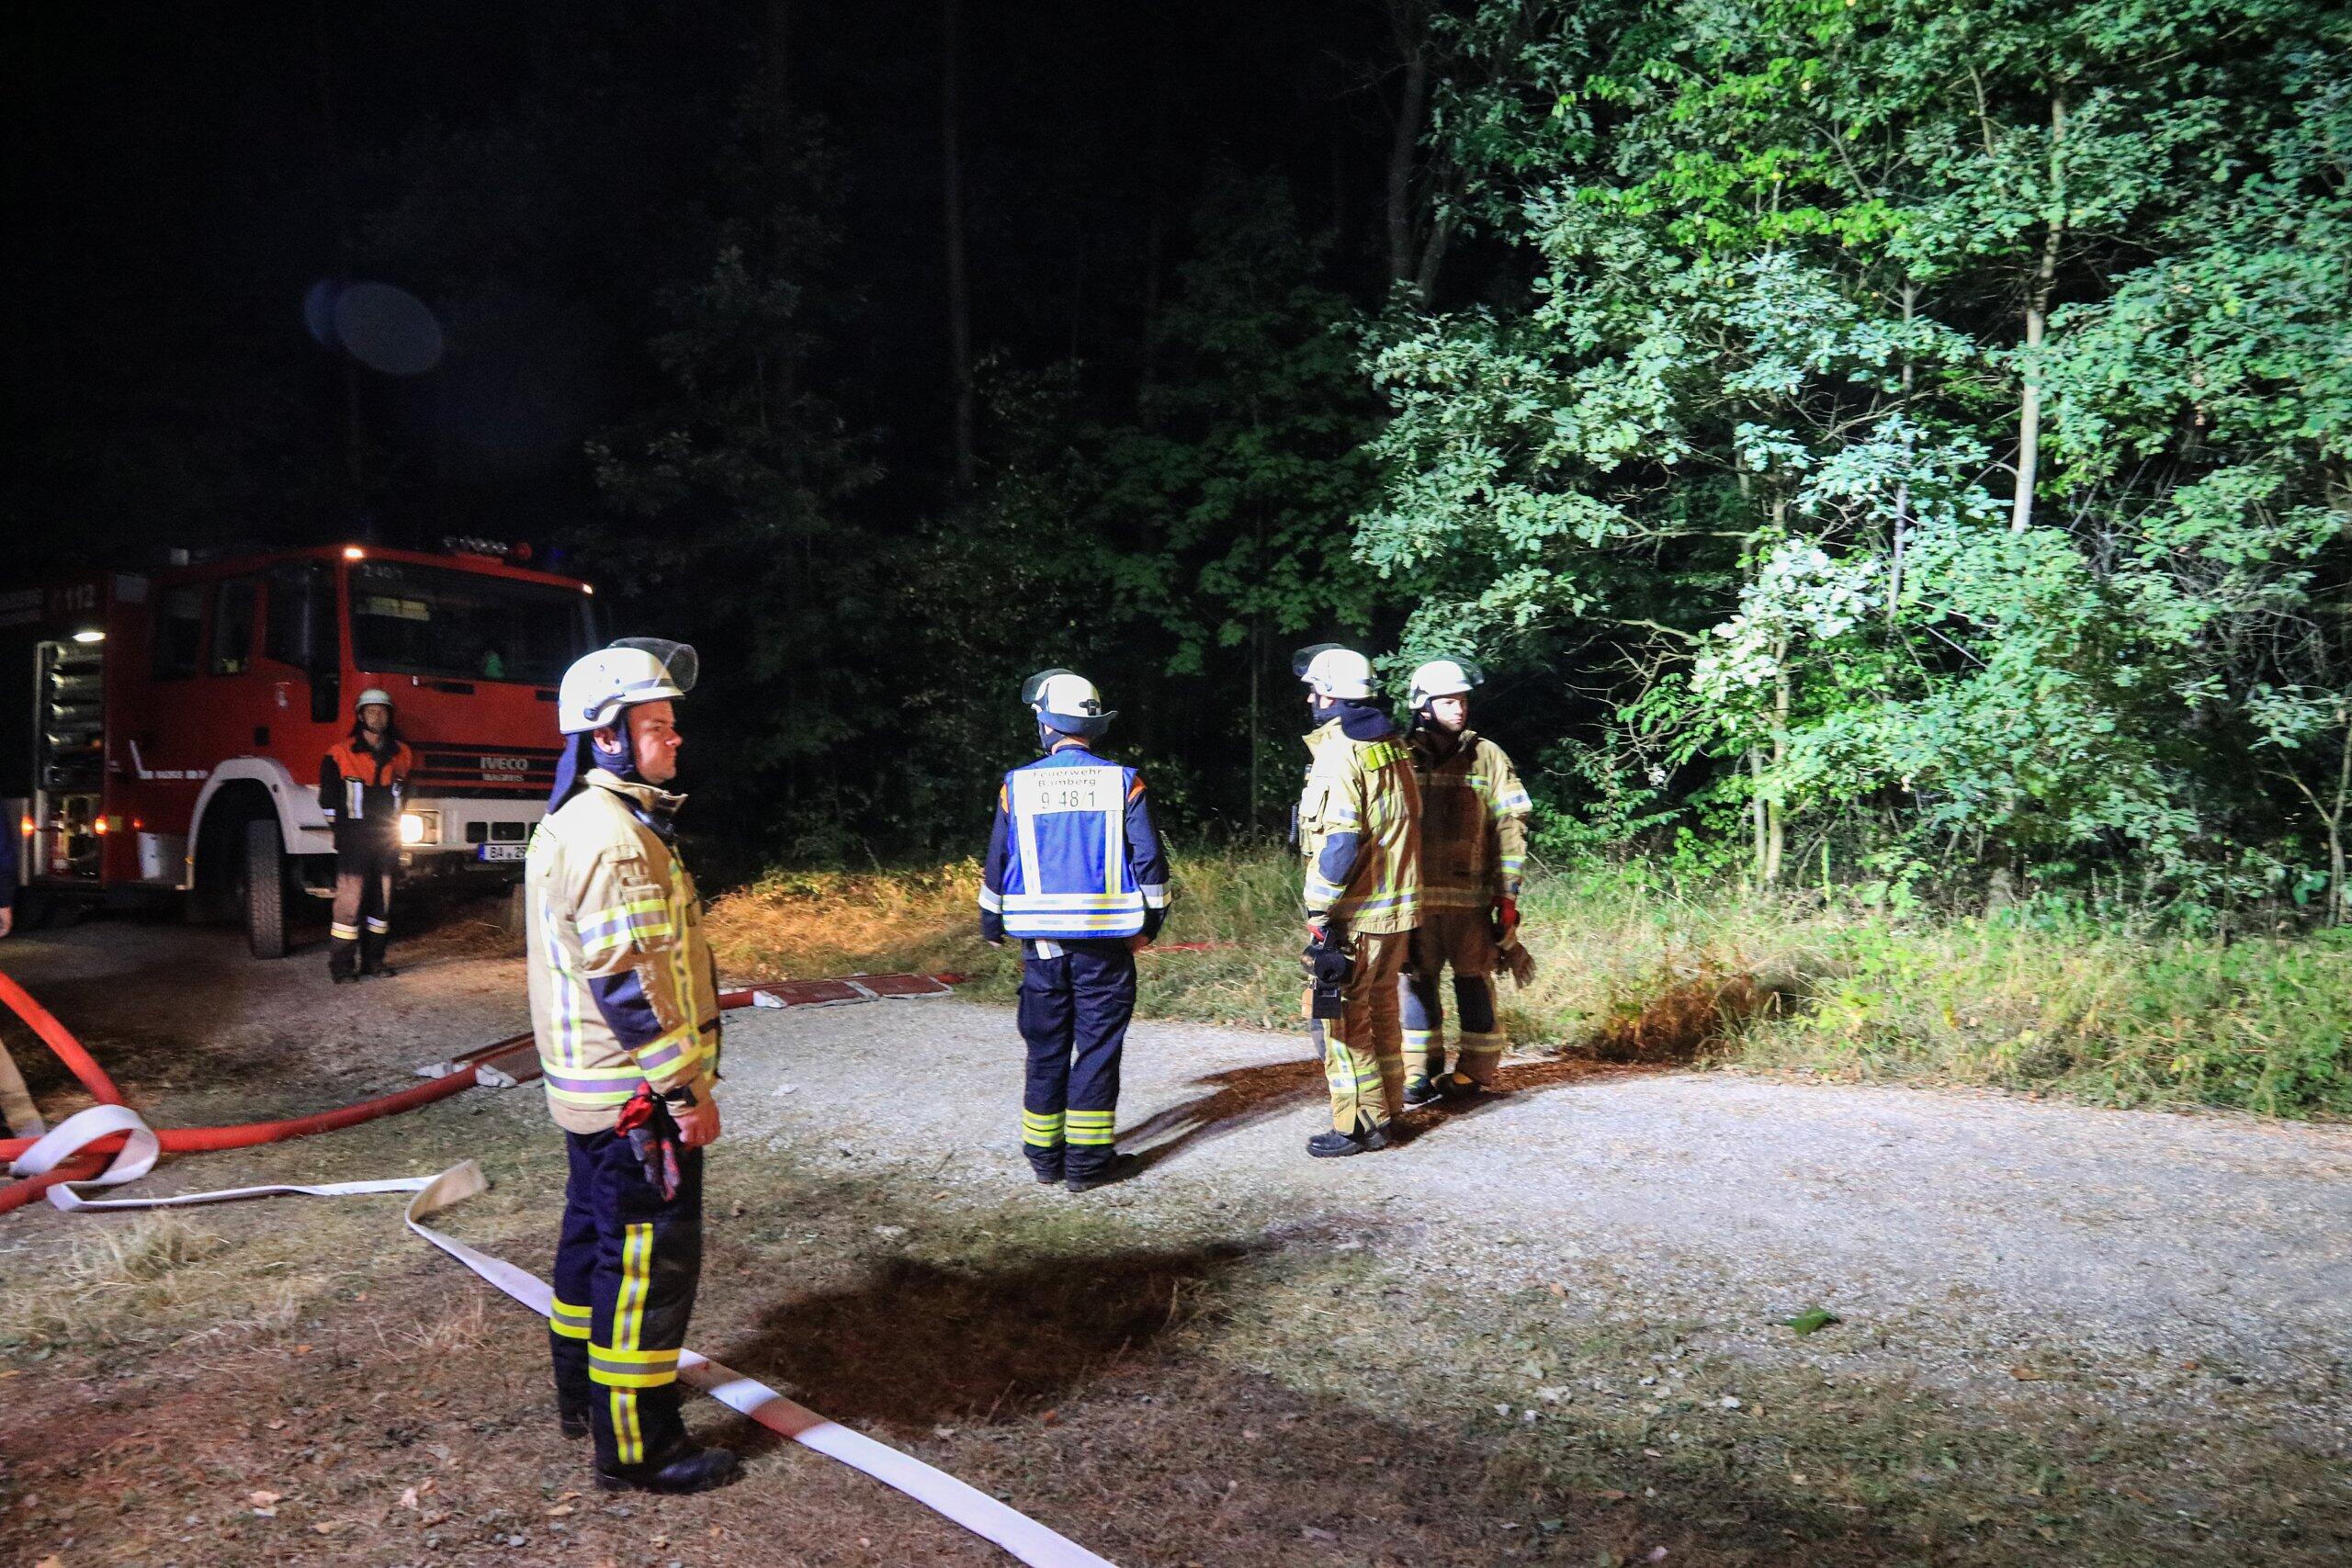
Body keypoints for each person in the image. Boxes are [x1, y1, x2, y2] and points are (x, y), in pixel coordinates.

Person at [527, 637, 737, 1495]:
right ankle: (639, 1444)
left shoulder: (585, 819)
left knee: (593, 1245)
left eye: (671, 723)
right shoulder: (615, 839)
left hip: (594, 1095)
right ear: (606, 736)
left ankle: (584, 1397)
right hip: (636, 1100)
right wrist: (684, 1090)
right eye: (655, 725)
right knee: (646, 1270)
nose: (674, 736)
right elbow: (631, 985)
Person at [979, 670, 1170, 1193]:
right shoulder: (1124, 782)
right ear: (1093, 725)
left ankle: (1044, 1159)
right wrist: (1149, 925)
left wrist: (991, 922)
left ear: (1045, 723)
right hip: (1106, 946)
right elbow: (1150, 862)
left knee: (1045, 1050)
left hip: (1042, 948)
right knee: (1098, 1050)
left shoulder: (1017, 785)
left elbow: (998, 862)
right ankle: (1087, 1166)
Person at [1292, 644, 1421, 1156]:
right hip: (1397, 910)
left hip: (1357, 914)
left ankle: (1358, 1125)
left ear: (1330, 694)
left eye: (1314, 690)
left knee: (1340, 1020)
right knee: (1381, 1010)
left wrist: (1319, 910)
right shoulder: (1392, 745)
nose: (1309, 698)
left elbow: (1341, 843)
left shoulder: (1340, 751)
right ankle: (1389, 1111)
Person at [1398, 659, 1532, 1105]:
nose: (1460, 709)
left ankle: (1473, 1071)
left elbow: (1510, 827)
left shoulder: (1487, 756)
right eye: (1448, 701)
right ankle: (1419, 1070)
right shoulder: (1399, 756)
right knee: (1415, 983)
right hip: (1413, 903)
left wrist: (1507, 896)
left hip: (1470, 902)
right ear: (1423, 706)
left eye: (1463, 700)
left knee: (1474, 984)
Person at [318, 688, 414, 982]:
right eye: (371, 711)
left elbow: (404, 795)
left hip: (386, 841)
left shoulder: (402, 753)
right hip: (354, 842)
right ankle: (342, 967)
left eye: (382, 711)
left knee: (381, 906)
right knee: (349, 906)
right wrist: (343, 835)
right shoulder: (340, 753)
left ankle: (374, 962)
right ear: (361, 716)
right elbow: (328, 802)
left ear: (389, 716)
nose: (377, 716)